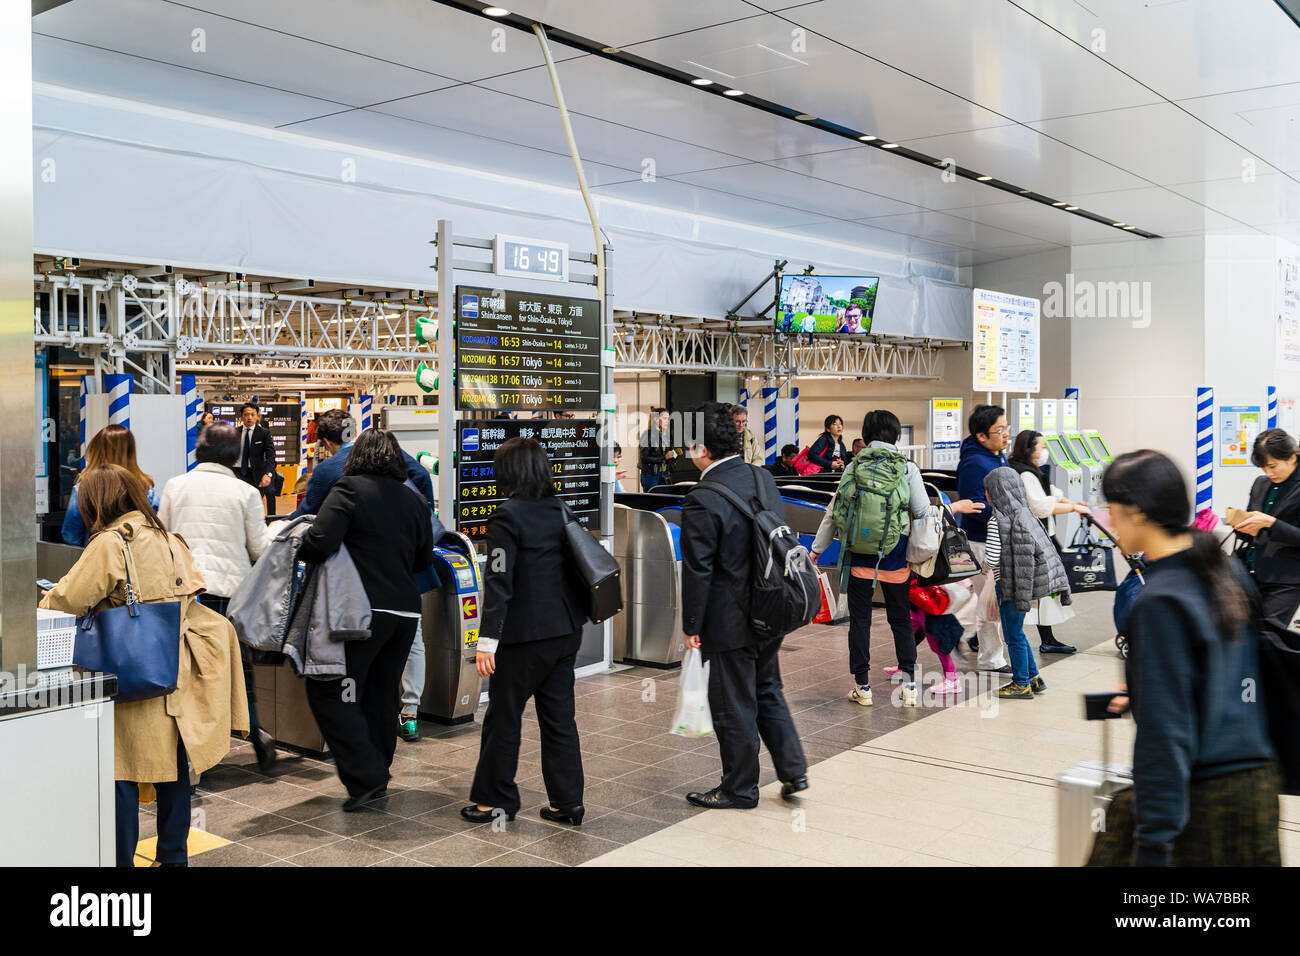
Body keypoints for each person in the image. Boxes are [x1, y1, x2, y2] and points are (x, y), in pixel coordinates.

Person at [41, 465, 249, 867]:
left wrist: (40, 602)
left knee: (121, 771)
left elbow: (68, 600)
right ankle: (173, 857)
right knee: (172, 770)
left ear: (96, 502)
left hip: (128, 675)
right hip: (174, 672)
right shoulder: (170, 539)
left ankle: (118, 862)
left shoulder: (110, 543)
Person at [1090, 450, 1280, 866]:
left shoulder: (1160, 600)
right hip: (1257, 787)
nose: (1109, 519)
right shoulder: (1224, 570)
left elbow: (1165, 735)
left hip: (1203, 800)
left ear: (1136, 512)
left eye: (1112, 508)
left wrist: (1154, 843)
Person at [297, 429, 435, 811]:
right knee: (380, 691)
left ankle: (366, 776)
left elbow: (319, 542)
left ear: (357, 455)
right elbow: (424, 560)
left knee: (331, 690)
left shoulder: (349, 489)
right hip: (405, 612)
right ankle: (378, 772)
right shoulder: (414, 499)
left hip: (360, 612)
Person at [680, 402, 808, 809]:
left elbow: (698, 569)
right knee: (767, 688)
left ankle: (739, 789)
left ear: (700, 446)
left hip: (728, 619)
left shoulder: (702, 497)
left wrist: (692, 624)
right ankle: (793, 768)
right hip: (772, 606)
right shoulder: (762, 476)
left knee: (733, 702)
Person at [464, 437, 589, 826]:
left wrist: (487, 641)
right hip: (565, 631)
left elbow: (500, 581)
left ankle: (494, 802)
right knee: (559, 719)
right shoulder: (560, 509)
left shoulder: (507, 516)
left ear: (509, 472)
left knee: (504, 718)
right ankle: (566, 804)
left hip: (523, 637)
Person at [157, 422, 276, 772]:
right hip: (231, 596)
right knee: (239, 670)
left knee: (191, 675)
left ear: (199, 450)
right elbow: (259, 548)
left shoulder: (175, 486)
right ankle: (256, 731)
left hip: (186, 594)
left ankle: (193, 754)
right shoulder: (246, 492)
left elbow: (164, 538)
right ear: (235, 454)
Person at [809, 410, 938, 708]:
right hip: (895, 557)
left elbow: (833, 512)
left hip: (859, 557)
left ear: (866, 436)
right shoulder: (907, 468)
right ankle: (909, 687)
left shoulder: (854, 466)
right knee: (900, 620)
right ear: (896, 436)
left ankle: (863, 687)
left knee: (861, 621)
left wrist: (816, 550)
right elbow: (921, 512)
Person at [1233, 427, 1300, 794]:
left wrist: (1273, 523)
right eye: (1263, 467)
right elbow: (1251, 527)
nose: (1269, 473)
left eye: (1274, 466)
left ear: (1293, 457)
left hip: (1287, 579)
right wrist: (1240, 525)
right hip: (1250, 573)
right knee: (1242, 643)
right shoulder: (1261, 485)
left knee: (1267, 644)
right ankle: (1245, 717)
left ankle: (1272, 724)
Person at [982, 467, 1072, 699]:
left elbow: (991, 558)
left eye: (988, 490)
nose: (986, 495)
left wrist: (978, 565)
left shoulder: (997, 520)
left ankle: (1020, 682)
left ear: (996, 492)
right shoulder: (1026, 514)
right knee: (1018, 633)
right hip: (1028, 583)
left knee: (1013, 636)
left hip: (1010, 586)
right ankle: (1034, 677)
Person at [1007, 430, 1090, 654]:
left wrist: (1074, 504)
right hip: (1033, 539)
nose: (1044, 451)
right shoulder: (1023, 474)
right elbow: (1041, 505)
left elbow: (1052, 492)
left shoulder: (1031, 471)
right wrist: (1073, 508)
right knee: (1031, 591)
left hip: (1042, 536)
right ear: (1028, 449)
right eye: (1041, 447)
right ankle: (981, 635)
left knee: (1042, 590)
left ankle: (1048, 638)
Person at [288, 409, 433, 519]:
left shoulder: (325, 470)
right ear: (355, 431)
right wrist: (424, 519)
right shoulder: (385, 451)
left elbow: (306, 513)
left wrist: (282, 523)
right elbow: (421, 476)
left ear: (327, 442)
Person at [955, 405, 1012, 673]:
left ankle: (961, 632)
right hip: (981, 542)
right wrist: (1005, 512)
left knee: (988, 600)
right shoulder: (974, 463)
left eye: (1006, 428)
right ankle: (990, 658)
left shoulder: (997, 456)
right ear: (981, 436)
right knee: (990, 602)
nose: (1005, 435)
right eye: (999, 430)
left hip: (998, 536)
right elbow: (973, 505)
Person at [62, 424, 160, 547]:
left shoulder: (83, 488)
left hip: (101, 561)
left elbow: (71, 536)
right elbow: (157, 530)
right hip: (141, 561)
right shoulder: (146, 489)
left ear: (97, 453)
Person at [234, 402, 276, 515]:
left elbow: (271, 456)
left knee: (255, 504)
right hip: (237, 473)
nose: (249, 417)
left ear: (257, 415)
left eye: (252, 414)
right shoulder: (234, 432)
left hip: (256, 474)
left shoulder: (263, 433)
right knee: (238, 504)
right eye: (246, 414)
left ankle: (269, 522)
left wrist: (268, 473)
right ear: (241, 416)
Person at [638, 408, 678, 491]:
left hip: (665, 473)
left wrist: (674, 455)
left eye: (668, 418)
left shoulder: (666, 435)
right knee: (652, 501)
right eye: (665, 418)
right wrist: (664, 457)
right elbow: (644, 458)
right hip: (651, 474)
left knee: (664, 500)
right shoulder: (647, 435)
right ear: (656, 419)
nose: (667, 421)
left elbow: (668, 452)